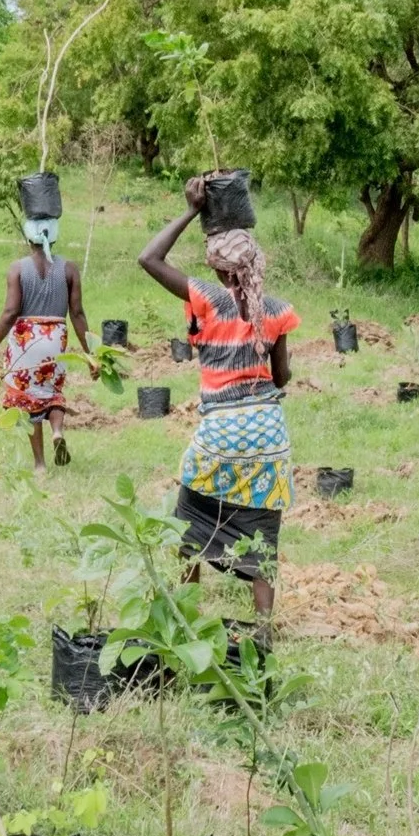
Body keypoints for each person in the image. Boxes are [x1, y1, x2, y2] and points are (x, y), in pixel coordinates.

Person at [138, 177, 299, 630]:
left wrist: (191, 210)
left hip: (220, 433)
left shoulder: (207, 299)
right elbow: (282, 376)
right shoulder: (277, 309)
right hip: (269, 436)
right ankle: (263, 628)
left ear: (220, 269)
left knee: (190, 525)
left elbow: (148, 258)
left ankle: (186, 616)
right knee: (263, 534)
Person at [0, 209, 91, 477]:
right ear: (54, 235)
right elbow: (77, 313)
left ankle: (40, 465)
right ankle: (57, 431)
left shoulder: (18, 268)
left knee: (29, 399)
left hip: (25, 339)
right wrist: (91, 354)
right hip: (56, 337)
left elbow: (10, 312)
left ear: (28, 234)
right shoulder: (68, 268)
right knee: (51, 392)